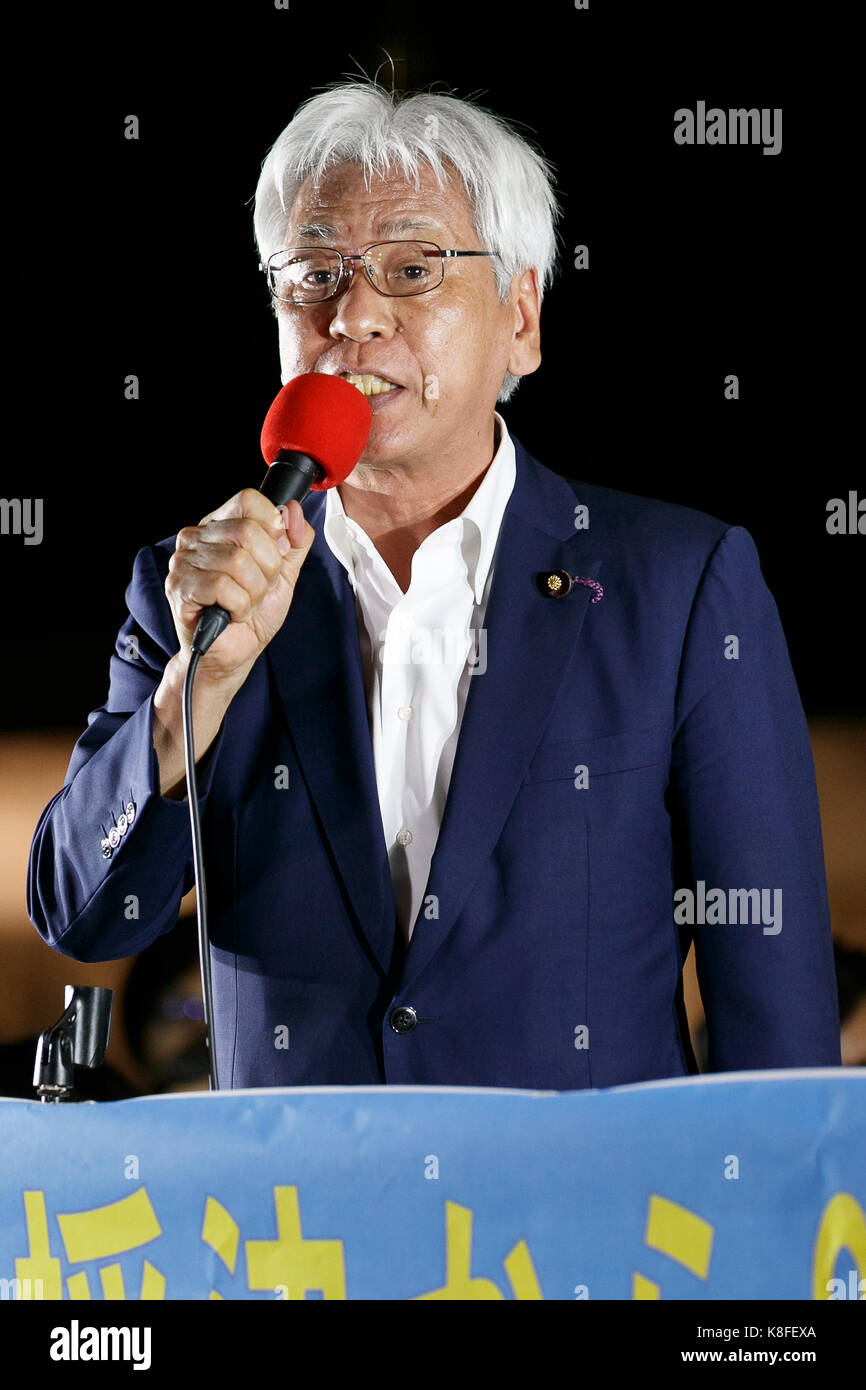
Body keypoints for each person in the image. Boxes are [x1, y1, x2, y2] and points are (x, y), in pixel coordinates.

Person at [27, 81, 841, 1090]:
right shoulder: (196, 584)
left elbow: (773, 1010)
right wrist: (189, 695)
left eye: (412, 269)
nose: (354, 314)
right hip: (297, 1229)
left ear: (522, 317)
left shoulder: (676, 586)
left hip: (577, 1236)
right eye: (313, 274)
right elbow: (80, 914)